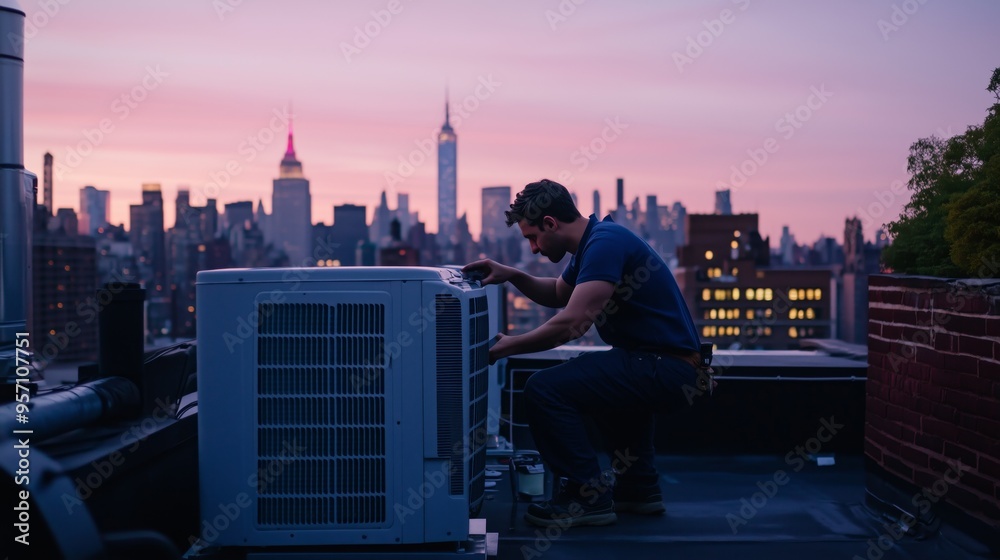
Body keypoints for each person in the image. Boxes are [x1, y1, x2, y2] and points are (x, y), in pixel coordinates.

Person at [463, 179, 706, 528]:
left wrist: (506, 347)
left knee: (545, 389)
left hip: (665, 368)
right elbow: (558, 293)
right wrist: (511, 275)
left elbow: (573, 324)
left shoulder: (604, 243)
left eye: (533, 237)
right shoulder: (596, 241)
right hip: (664, 366)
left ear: (550, 223)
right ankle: (639, 490)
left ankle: (584, 496)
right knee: (603, 380)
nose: (533, 248)